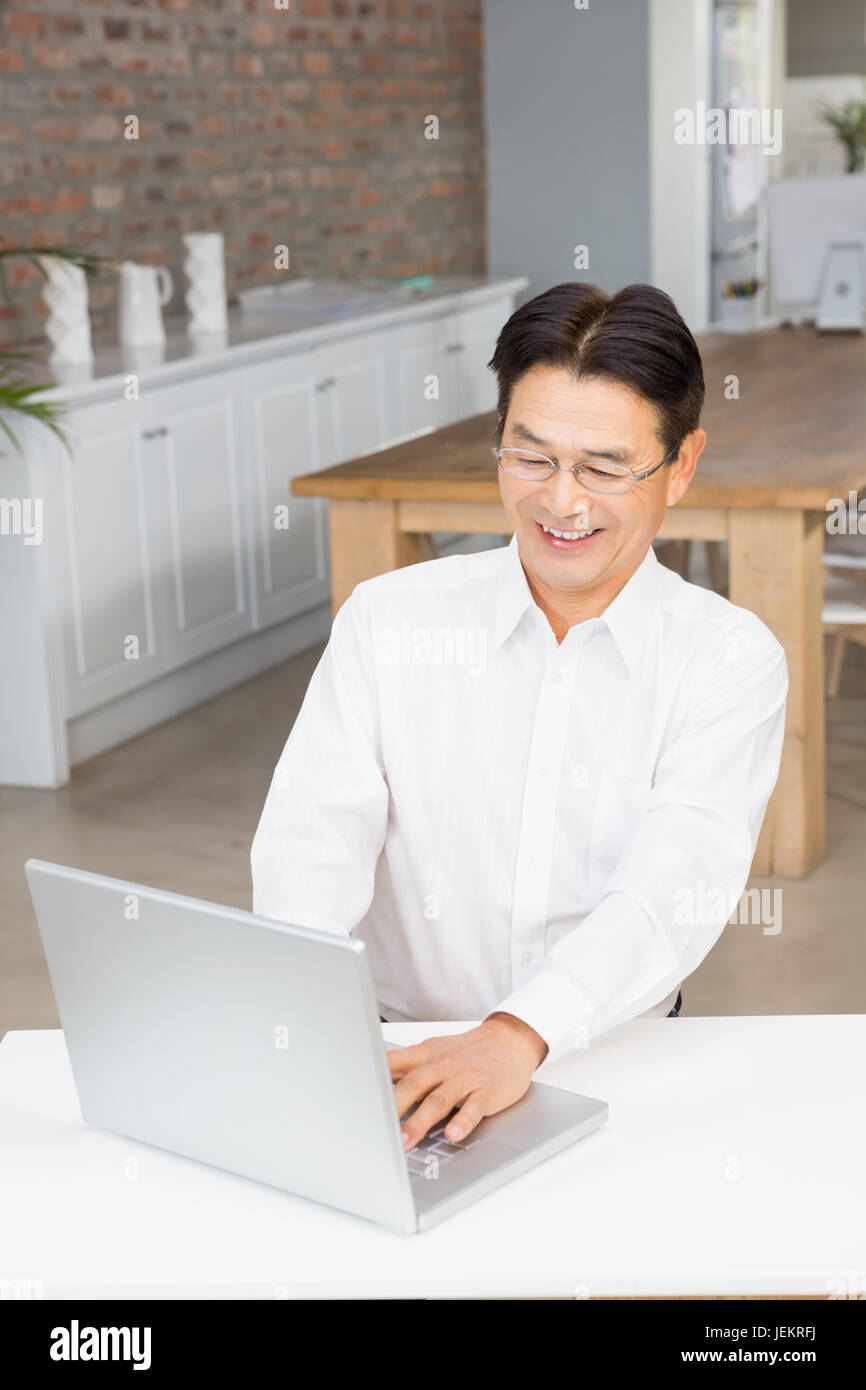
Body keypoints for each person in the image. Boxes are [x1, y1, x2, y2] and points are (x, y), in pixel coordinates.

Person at [251, 282, 787, 1154]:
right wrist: (305, 1017)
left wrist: (519, 1032)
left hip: (613, 1054)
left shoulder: (728, 658)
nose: (561, 502)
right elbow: (311, 842)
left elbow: (670, 890)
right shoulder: (390, 622)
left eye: (605, 467)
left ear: (681, 465)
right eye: (530, 457)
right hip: (399, 1059)